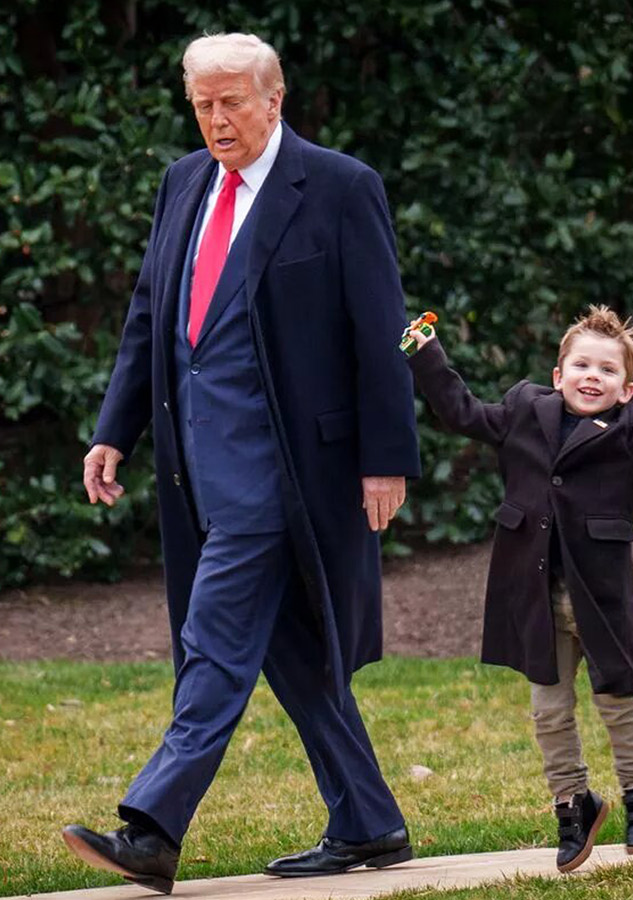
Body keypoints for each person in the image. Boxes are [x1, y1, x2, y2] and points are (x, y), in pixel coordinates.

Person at [65, 33, 419, 894]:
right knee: (295, 649)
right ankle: (371, 824)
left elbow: (381, 333)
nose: (216, 120)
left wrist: (386, 457)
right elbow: (153, 315)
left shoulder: (339, 188)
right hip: (200, 471)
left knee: (215, 641)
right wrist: (116, 429)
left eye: (231, 102)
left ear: (275, 98)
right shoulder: (183, 182)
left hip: (291, 470)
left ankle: (152, 827)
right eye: (202, 104)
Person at [404, 306, 633, 873]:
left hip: (597, 593)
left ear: (625, 389)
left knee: (617, 698)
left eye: (605, 370)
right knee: (548, 710)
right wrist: (426, 356)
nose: (591, 376)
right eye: (581, 365)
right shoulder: (525, 411)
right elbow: (462, 413)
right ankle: (573, 804)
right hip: (534, 592)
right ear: (558, 374)